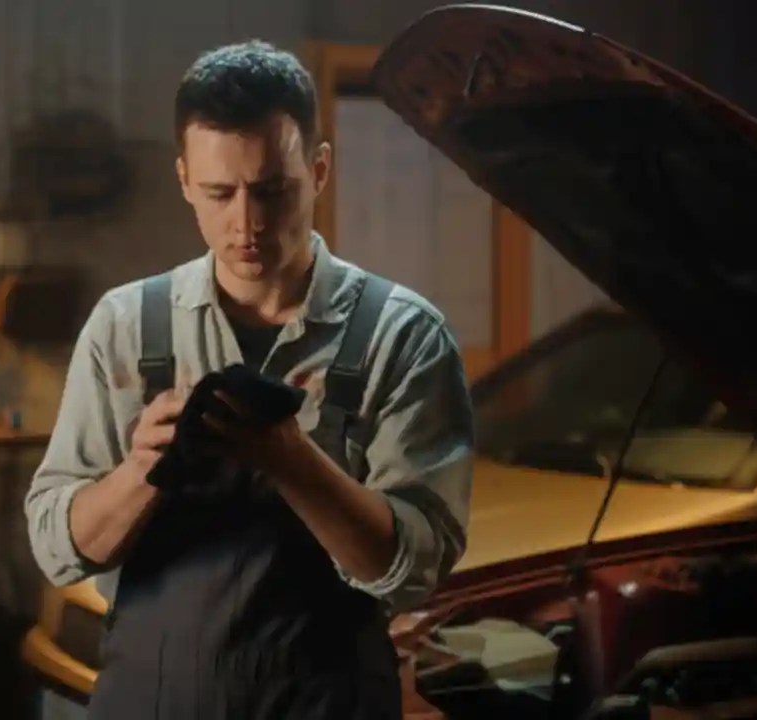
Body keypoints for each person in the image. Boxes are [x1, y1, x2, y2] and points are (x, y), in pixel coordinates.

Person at [25, 39, 474, 719]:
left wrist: (290, 458)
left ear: (319, 171)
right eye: (219, 193)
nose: (247, 223)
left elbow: (415, 570)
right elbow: (59, 549)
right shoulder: (124, 327)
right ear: (183, 181)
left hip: (326, 701)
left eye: (273, 190)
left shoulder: (402, 336)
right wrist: (142, 468)